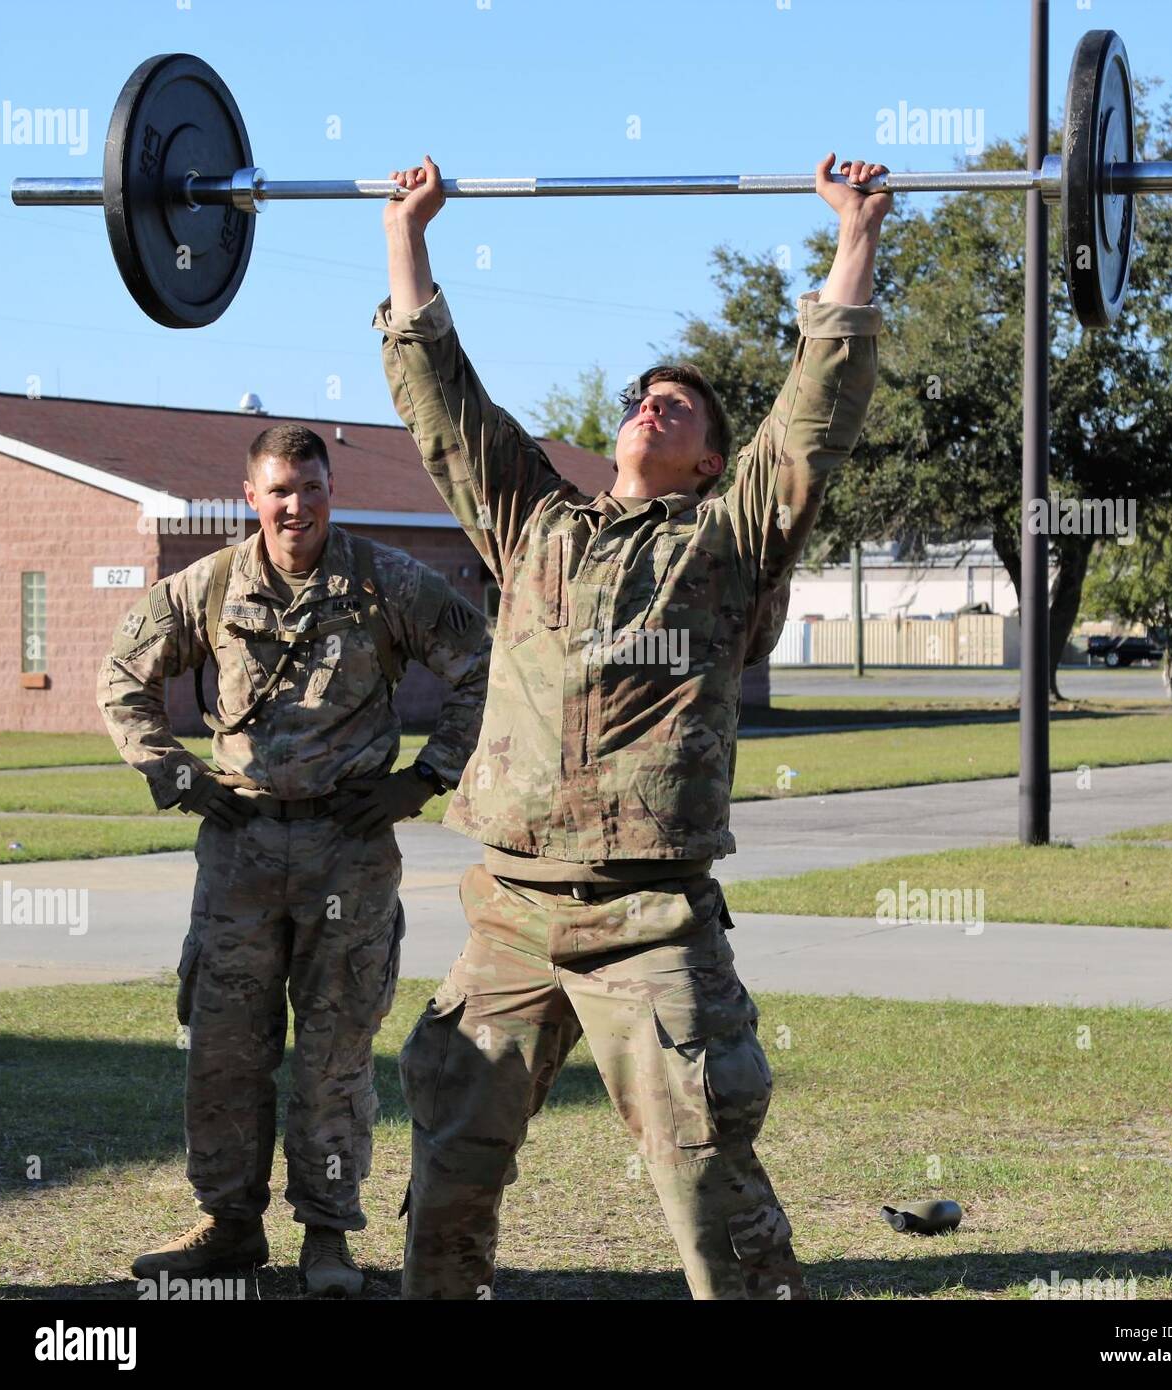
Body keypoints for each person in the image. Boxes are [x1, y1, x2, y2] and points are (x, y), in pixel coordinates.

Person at [375, 152, 888, 1300]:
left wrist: (852, 236)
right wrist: (407, 234)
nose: (649, 405)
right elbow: (442, 406)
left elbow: (813, 418)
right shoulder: (534, 521)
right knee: (450, 1164)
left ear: (709, 457)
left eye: (680, 404)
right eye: (637, 397)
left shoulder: (725, 542)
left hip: (646, 913)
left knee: (704, 1178)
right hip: (507, 906)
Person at [97, 424, 491, 1297]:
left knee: (335, 1055)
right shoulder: (207, 586)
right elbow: (124, 674)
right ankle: (229, 1227)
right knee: (225, 1051)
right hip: (238, 848)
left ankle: (328, 1239)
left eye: (311, 488)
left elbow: (482, 664)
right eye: (280, 490)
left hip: (348, 850)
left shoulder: (385, 580)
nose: (297, 506)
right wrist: (174, 773)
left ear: (329, 490)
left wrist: (423, 778)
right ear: (251, 496)